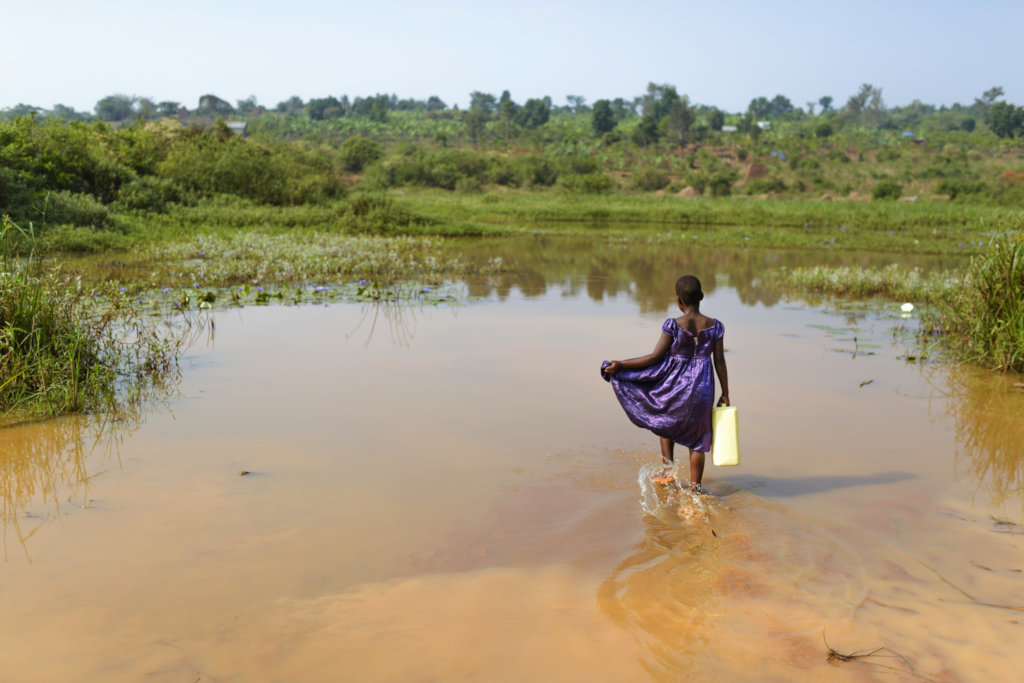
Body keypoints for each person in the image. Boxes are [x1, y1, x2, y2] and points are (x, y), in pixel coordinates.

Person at [601, 275, 729, 493]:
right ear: (702, 297)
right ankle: (696, 489)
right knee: (698, 440)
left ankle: (668, 472)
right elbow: (719, 361)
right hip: (703, 387)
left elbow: (654, 357)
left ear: (678, 301)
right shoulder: (716, 327)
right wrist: (725, 393)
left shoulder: (673, 325)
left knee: (664, 420)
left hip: (675, 383)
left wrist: (622, 365)